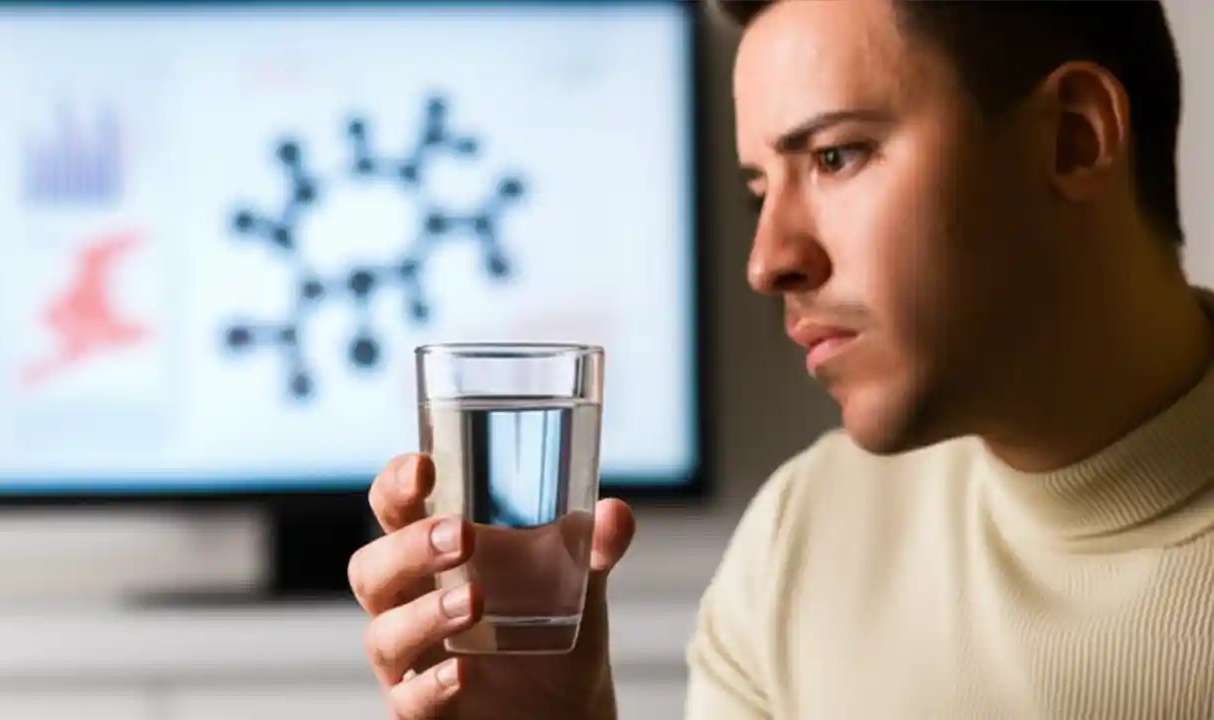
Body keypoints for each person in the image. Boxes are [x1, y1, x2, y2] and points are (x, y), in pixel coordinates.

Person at [347, 0, 1214, 716]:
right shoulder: (802, 536)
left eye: (835, 156)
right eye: (760, 187)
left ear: (1074, 138)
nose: (768, 262)